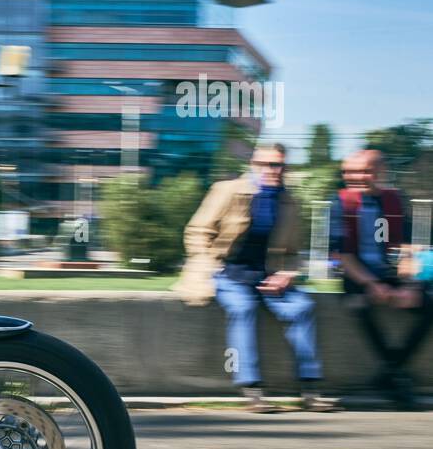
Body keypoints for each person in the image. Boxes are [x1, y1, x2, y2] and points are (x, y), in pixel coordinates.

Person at [177, 143, 334, 412]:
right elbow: (197, 231)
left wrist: (287, 273)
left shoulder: (288, 202)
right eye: (268, 165)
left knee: (302, 307)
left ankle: (310, 389)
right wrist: (207, 265)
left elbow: (294, 252)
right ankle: (252, 390)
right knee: (242, 308)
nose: (274, 170)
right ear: (253, 164)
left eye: (280, 165)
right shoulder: (227, 190)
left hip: (268, 277)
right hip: (229, 272)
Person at [330, 149, 432, 408]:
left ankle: (390, 371)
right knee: (359, 305)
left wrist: (411, 285)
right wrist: (371, 284)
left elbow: (408, 247)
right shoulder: (340, 202)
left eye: (364, 171)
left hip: (389, 272)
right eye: (350, 172)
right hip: (358, 274)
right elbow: (342, 255)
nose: (355, 177)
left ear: (381, 173)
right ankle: (397, 378)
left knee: (428, 304)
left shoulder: (395, 200)